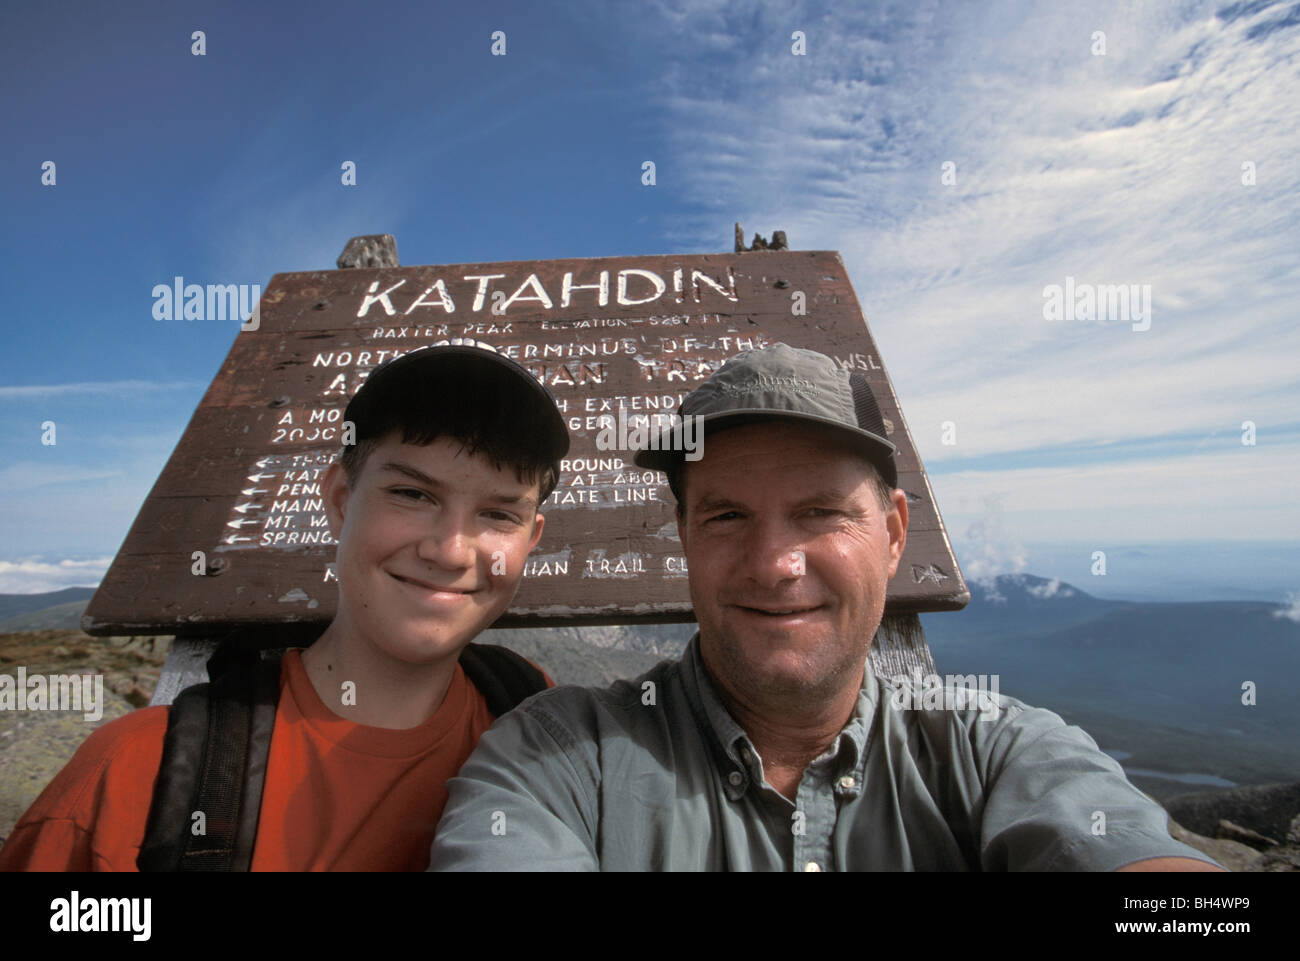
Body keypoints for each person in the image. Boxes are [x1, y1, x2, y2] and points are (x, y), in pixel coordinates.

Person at [430, 343, 1223, 871]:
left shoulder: (998, 753)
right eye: (728, 515)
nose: (777, 565)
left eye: (821, 512)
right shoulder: (555, 761)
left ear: (893, 532)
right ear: (684, 537)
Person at [0, 342, 568, 871]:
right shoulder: (130, 776)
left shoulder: (543, 727)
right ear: (341, 503)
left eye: (499, 514)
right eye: (412, 495)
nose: (449, 550)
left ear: (530, 538)